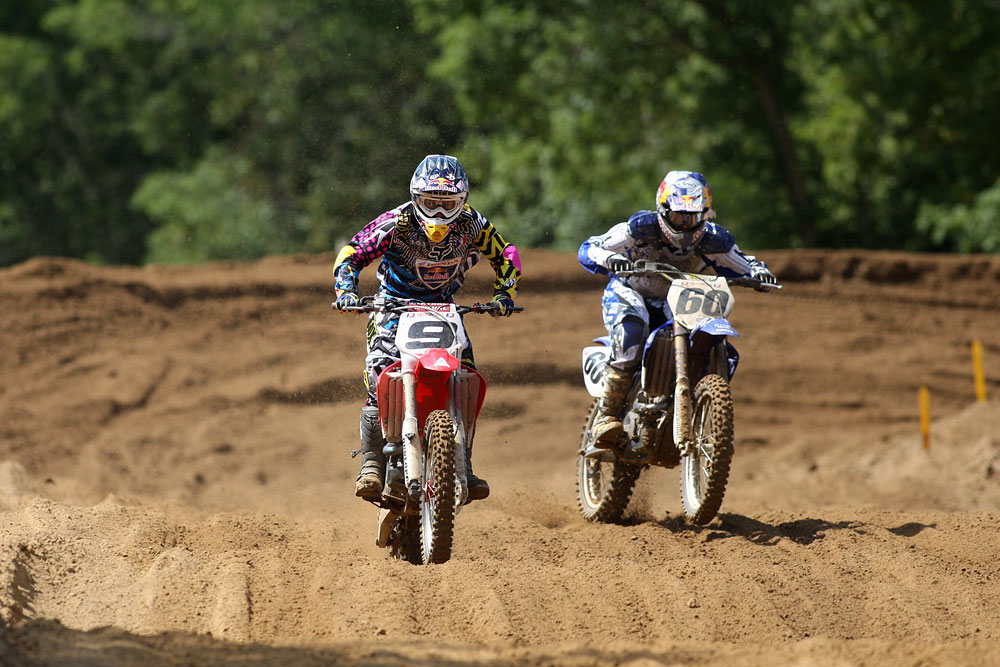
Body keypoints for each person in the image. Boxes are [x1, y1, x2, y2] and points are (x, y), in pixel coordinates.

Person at [332, 154, 522, 501]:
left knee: (466, 374)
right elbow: (352, 252)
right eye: (429, 203)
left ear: (461, 201)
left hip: (444, 308)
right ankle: (372, 462)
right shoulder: (397, 222)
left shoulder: (473, 224)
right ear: (415, 198)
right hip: (392, 304)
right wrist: (346, 291)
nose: (437, 212)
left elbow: (506, 254)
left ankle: (462, 464)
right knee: (379, 373)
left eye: (446, 203)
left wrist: (504, 294)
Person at [578, 170, 778, 447]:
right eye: (678, 216)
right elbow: (591, 247)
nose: (685, 225)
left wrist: (760, 275)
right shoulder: (639, 228)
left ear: (705, 214)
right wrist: (612, 259)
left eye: (692, 217)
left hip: (680, 299)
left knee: (706, 338)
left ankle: (701, 408)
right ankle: (607, 415)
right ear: (663, 210)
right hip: (632, 292)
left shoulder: (716, 240)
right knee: (631, 338)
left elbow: (745, 262)